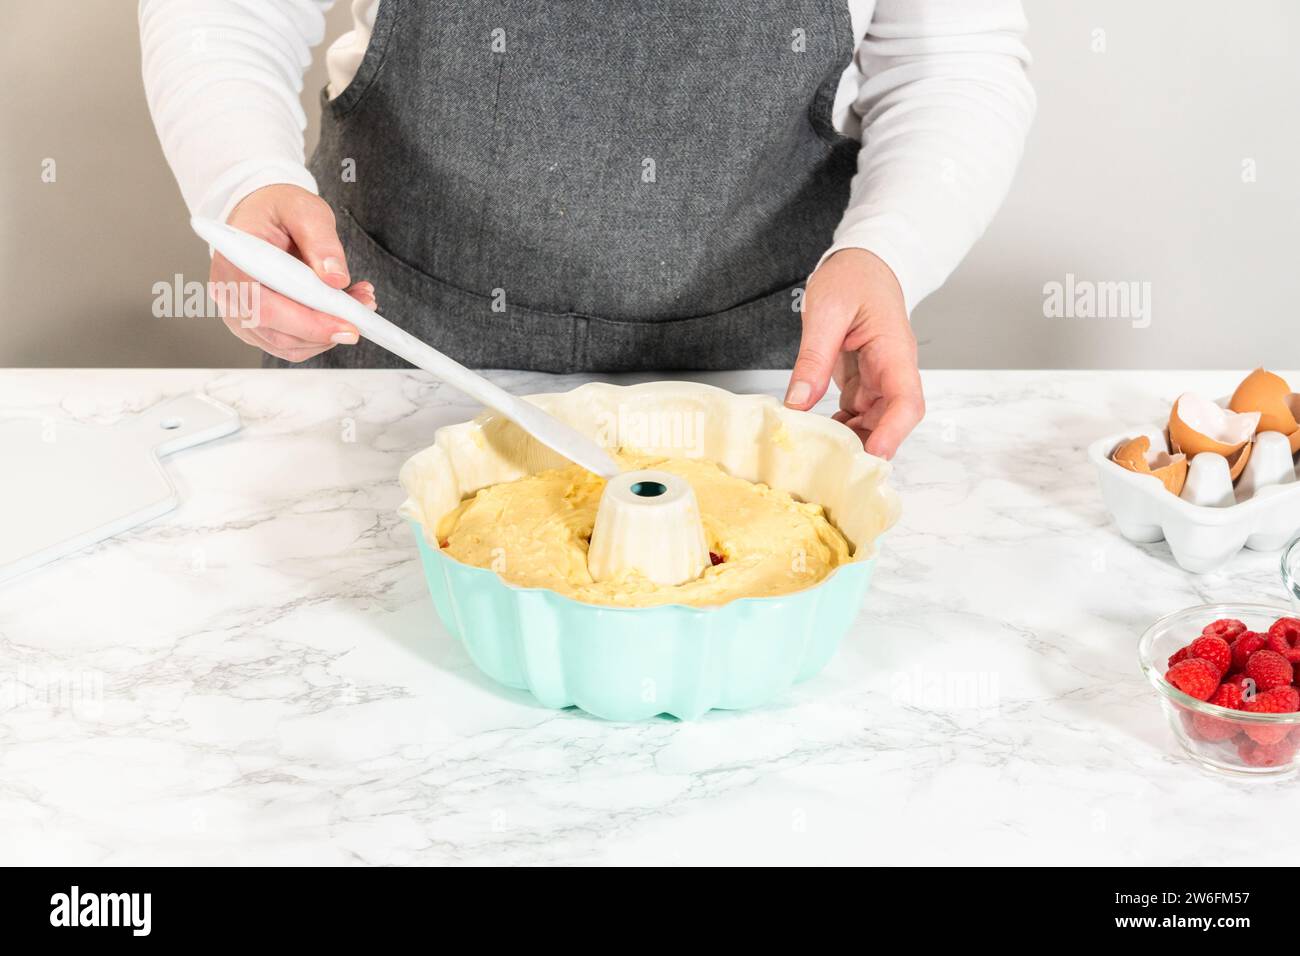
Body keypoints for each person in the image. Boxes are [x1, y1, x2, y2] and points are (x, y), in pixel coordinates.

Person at [140, 0, 1034, 459]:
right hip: (386, 368)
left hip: (764, 394)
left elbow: (949, 62)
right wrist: (243, 181)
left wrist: (888, 251)